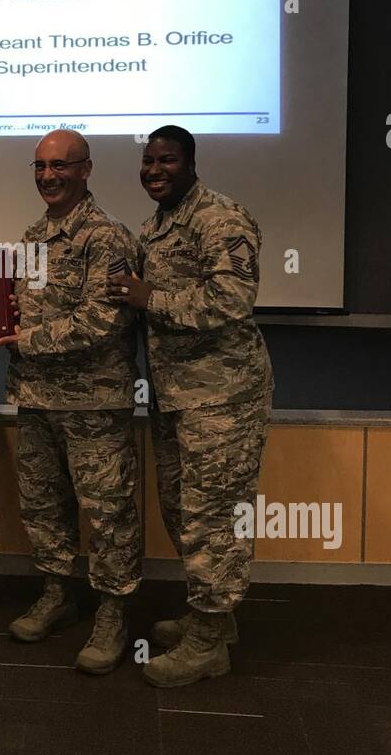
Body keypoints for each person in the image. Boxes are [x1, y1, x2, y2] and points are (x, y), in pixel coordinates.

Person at [108, 125, 273, 688]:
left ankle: (208, 644)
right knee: (181, 509)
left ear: (191, 162)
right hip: (177, 396)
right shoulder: (156, 227)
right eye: (148, 160)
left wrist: (148, 297)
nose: (155, 169)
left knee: (213, 519)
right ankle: (212, 618)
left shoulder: (220, 219)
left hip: (221, 398)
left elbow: (231, 300)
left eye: (167, 160)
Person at [0, 130, 142, 675]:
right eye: (40, 167)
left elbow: (106, 318)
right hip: (37, 399)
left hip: (93, 404)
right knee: (43, 504)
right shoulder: (34, 236)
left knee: (107, 511)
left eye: (61, 166)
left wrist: (26, 339)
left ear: (86, 170)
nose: (49, 176)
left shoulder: (107, 237)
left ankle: (112, 611)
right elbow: (29, 307)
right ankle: (58, 592)